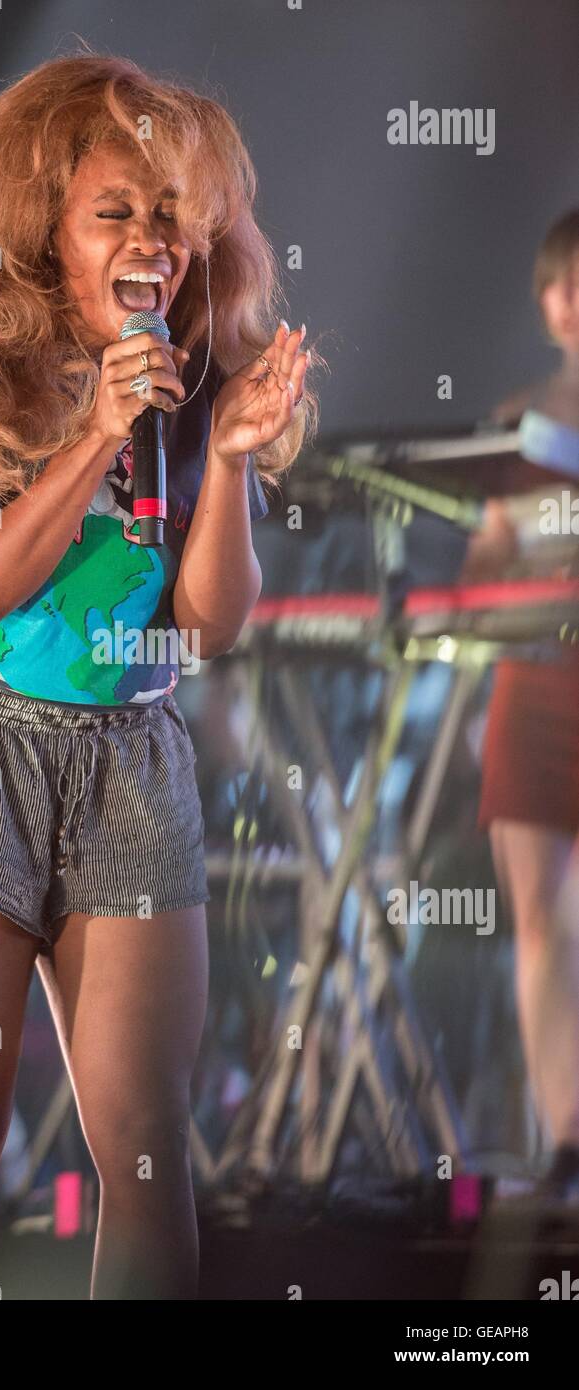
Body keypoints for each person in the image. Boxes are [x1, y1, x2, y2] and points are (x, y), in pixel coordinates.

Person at [0, 52, 314, 1300]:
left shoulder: (190, 379)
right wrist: (95, 426)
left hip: (129, 763)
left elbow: (201, 629)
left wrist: (236, 459)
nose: (153, 241)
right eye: (116, 213)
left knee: (147, 1157)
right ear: (43, 229)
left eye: (172, 218)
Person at [461, 207, 579, 1200]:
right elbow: (481, 570)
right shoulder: (515, 422)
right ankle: (563, 1143)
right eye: (560, 284)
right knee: (538, 919)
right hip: (533, 682)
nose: (573, 302)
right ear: (546, 302)